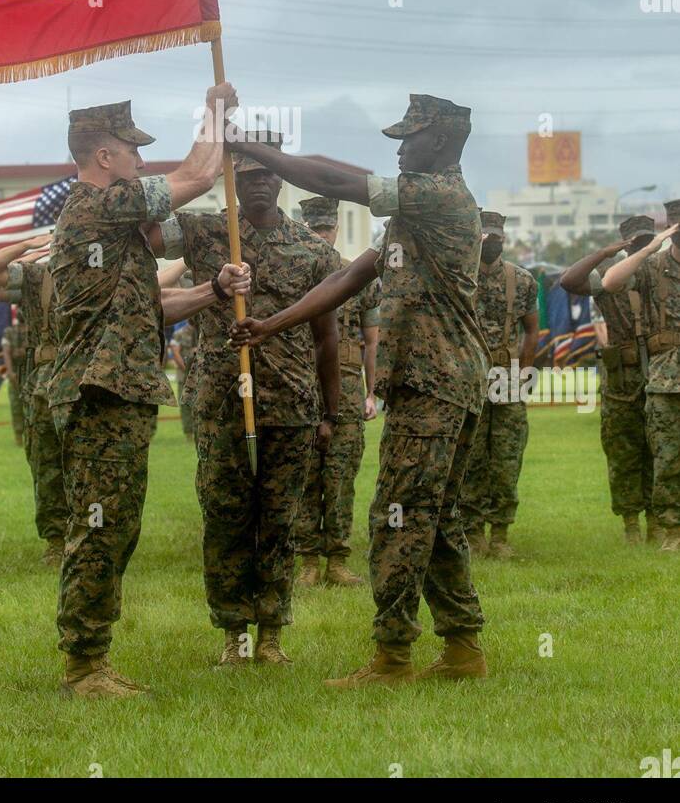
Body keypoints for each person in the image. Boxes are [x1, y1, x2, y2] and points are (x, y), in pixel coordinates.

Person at [228, 94, 491, 687]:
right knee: (438, 516)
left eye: (411, 138)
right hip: (440, 382)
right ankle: (462, 649)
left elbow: (337, 179)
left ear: (443, 143)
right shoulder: (413, 213)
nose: (400, 148)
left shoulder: (440, 196)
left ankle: (393, 656)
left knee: (396, 517)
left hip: (438, 383)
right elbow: (349, 275)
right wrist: (272, 324)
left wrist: (253, 149)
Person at [47, 86, 242, 698]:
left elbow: (148, 306)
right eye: (131, 151)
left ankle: (93, 658)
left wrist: (211, 291)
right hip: (100, 394)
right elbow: (198, 174)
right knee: (102, 528)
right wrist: (215, 114)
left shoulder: (112, 222)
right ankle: (84, 667)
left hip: (116, 393)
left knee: (118, 525)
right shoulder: (98, 207)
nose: (139, 161)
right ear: (104, 156)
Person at [147, 129, 340, 667]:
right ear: (232, 181)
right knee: (227, 515)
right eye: (246, 176)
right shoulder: (208, 232)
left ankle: (272, 631)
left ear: (279, 179)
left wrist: (331, 412)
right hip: (221, 401)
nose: (258, 186)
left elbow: (328, 337)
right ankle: (235, 631)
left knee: (279, 520)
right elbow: (142, 233)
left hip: (291, 401)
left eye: (266, 175)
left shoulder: (311, 250)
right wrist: (203, 153)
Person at [294, 195, 380, 587]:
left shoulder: (357, 278)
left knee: (341, 474)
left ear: (335, 229)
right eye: (314, 228)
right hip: (301, 383)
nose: (320, 235)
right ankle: (309, 559)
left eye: (326, 228)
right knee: (305, 472)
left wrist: (371, 392)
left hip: (346, 386)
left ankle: (338, 559)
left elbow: (372, 339)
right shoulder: (293, 275)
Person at [561, 215, 656, 544]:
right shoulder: (609, 275)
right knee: (622, 451)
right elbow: (569, 282)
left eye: (648, 240)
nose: (643, 247)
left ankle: (660, 521)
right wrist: (603, 253)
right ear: (626, 244)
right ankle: (631, 523)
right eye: (636, 242)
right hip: (621, 379)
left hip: (661, 374)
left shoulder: (664, 271)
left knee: (663, 450)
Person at [0, 235, 69, 568]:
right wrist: (28, 245)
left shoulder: (107, 268)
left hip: (94, 380)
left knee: (93, 466)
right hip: (46, 383)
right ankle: (57, 541)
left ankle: (96, 535)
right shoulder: (37, 277)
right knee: (46, 465)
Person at [600, 203, 680, 553]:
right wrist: (650, 247)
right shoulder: (653, 267)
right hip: (666, 379)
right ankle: (671, 530)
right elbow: (611, 281)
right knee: (668, 458)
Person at [459, 211, 539, 559]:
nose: (492, 244)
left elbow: (532, 329)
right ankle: (472, 531)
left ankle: (501, 534)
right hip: (469, 378)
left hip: (507, 377)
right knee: (471, 457)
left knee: (506, 458)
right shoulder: (459, 277)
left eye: (497, 238)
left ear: (504, 240)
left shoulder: (521, 281)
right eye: (486, 238)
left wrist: (525, 370)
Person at [1, 314, 28, 446]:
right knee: (16, 406)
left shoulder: (33, 330)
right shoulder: (9, 332)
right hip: (16, 374)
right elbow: (6, 352)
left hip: (31, 372)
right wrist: (10, 372)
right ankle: (18, 435)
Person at [170, 318, 198, 441]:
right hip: (184, 376)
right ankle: (189, 433)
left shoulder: (204, 333)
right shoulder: (179, 333)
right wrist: (187, 369)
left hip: (201, 375)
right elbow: (175, 353)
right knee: (185, 404)